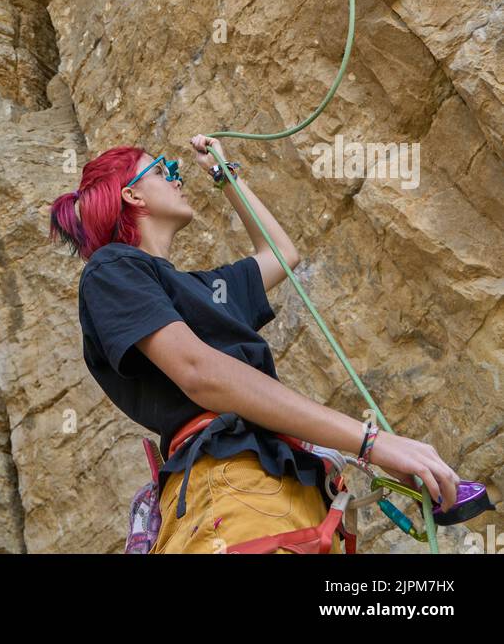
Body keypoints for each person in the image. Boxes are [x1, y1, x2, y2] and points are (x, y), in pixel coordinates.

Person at [49, 139, 461, 554]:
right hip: (232, 479)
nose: (176, 177)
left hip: (280, 487)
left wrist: (223, 173)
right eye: (161, 169)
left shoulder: (206, 289)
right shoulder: (112, 268)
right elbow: (199, 372)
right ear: (132, 194)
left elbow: (281, 254)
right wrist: (372, 444)